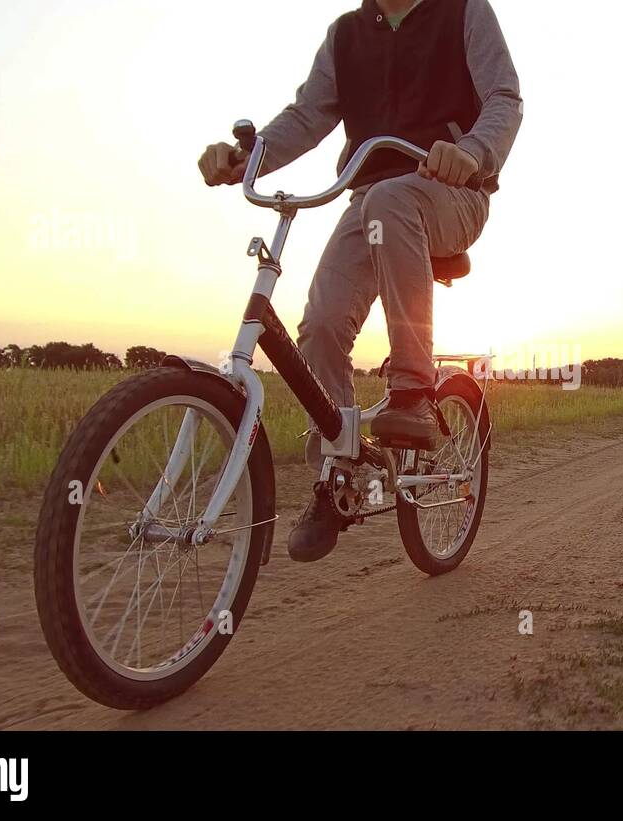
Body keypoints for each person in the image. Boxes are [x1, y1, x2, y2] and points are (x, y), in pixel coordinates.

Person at [197, 0, 522, 562]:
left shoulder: (462, 10)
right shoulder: (346, 33)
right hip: (367, 196)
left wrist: (472, 151)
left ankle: (414, 393)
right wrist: (247, 156)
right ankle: (338, 473)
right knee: (319, 326)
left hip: (453, 189)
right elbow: (307, 115)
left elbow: (504, 99)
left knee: (393, 199)